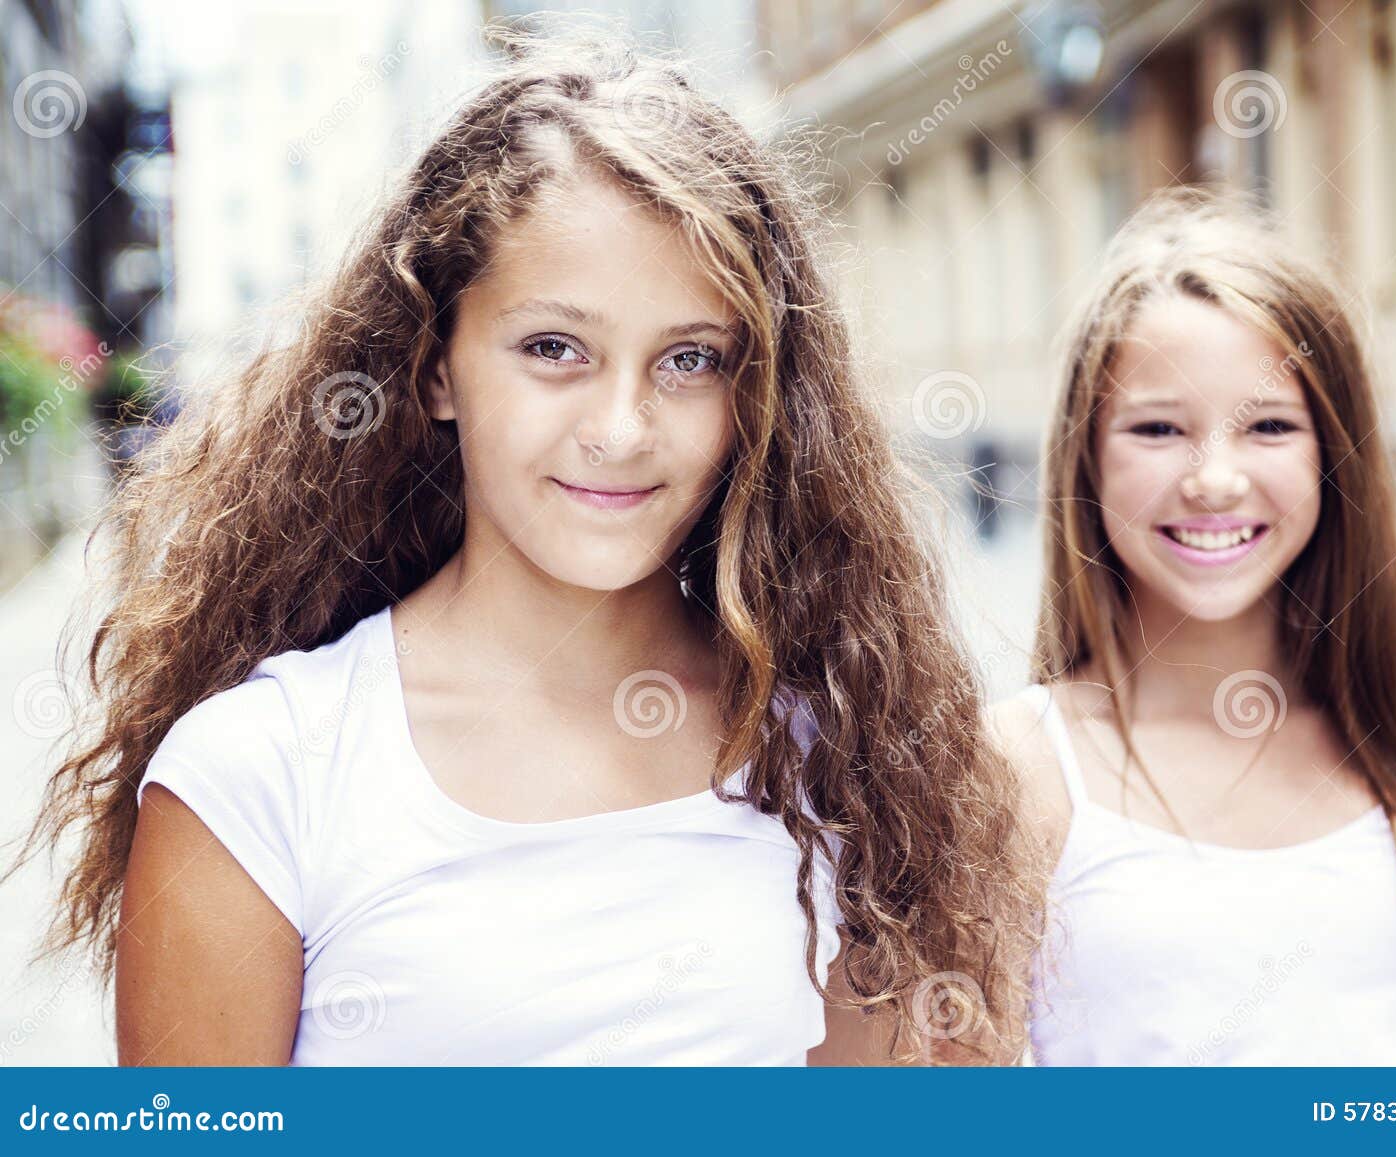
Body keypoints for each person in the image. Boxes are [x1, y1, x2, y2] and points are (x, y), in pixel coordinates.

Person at [13, 27, 1038, 1066]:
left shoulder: (834, 748)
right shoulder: (262, 775)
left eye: (689, 358)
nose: (623, 426)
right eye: (555, 348)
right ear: (435, 368)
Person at [991, 187, 1396, 1066]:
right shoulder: (1016, 772)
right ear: (1085, 456)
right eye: (1157, 427)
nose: (1213, 478)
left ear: (1334, 455)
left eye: (1267, 425)